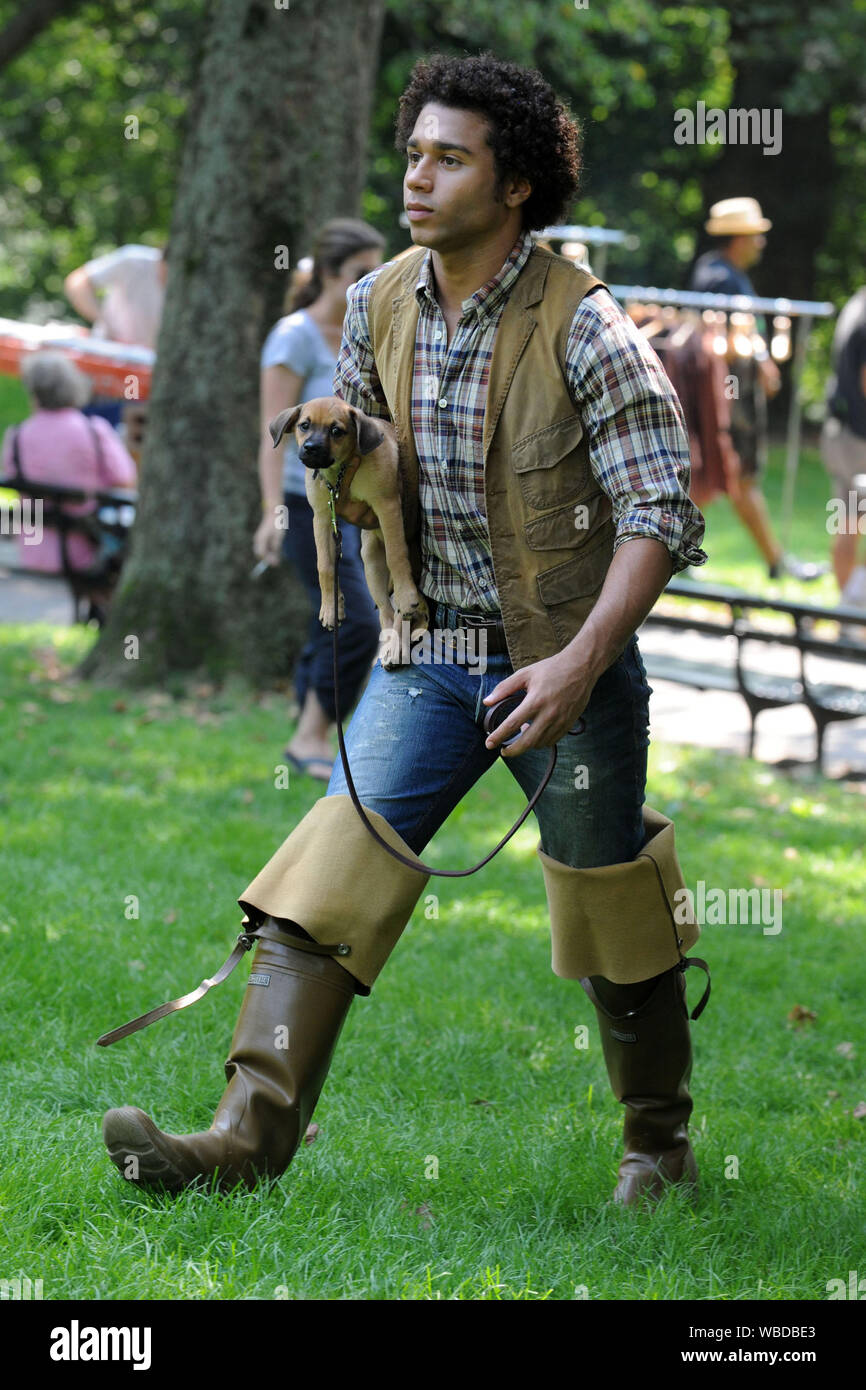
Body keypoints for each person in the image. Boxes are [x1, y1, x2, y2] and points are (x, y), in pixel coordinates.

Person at [102, 54, 711, 1209]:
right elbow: (374, 459)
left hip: (560, 661)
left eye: (448, 157)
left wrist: (580, 664)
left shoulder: (588, 329)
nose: (416, 178)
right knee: (330, 869)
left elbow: (657, 515)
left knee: (608, 895)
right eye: (412, 153)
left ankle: (658, 1148)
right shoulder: (378, 300)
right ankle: (243, 1139)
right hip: (429, 654)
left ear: (517, 182)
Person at [253, 220, 384, 779]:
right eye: (359, 274)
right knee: (353, 618)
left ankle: (307, 719)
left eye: (375, 275)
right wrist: (269, 515)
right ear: (330, 274)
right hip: (303, 503)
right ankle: (311, 735)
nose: (367, 286)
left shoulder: (367, 336)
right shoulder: (294, 336)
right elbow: (272, 434)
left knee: (333, 614)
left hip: (354, 502)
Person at [690, 198, 825, 582]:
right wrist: (758, 365)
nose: (762, 243)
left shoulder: (723, 271)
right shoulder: (721, 278)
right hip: (729, 394)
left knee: (724, 477)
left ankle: (773, 560)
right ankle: (776, 561)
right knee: (731, 474)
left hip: (731, 392)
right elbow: (721, 340)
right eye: (757, 236)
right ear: (740, 237)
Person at [1, 351, 137, 586]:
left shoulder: (17, 435)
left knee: (30, 504)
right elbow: (124, 478)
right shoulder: (93, 430)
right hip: (84, 549)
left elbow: (12, 476)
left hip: (33, 546)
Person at [64, 243, 168, 431]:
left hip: (138, 375)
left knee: (127, 423)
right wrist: (104, 321)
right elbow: (78, 282)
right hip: (102, 363)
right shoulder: (133, 261)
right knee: (84, 420)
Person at [821, 286, 866, 613]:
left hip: (844, 432)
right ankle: (851, 610)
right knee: (851, 521)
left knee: (849, 519)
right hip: (857, 439)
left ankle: (847, 610)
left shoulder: (857, 302)